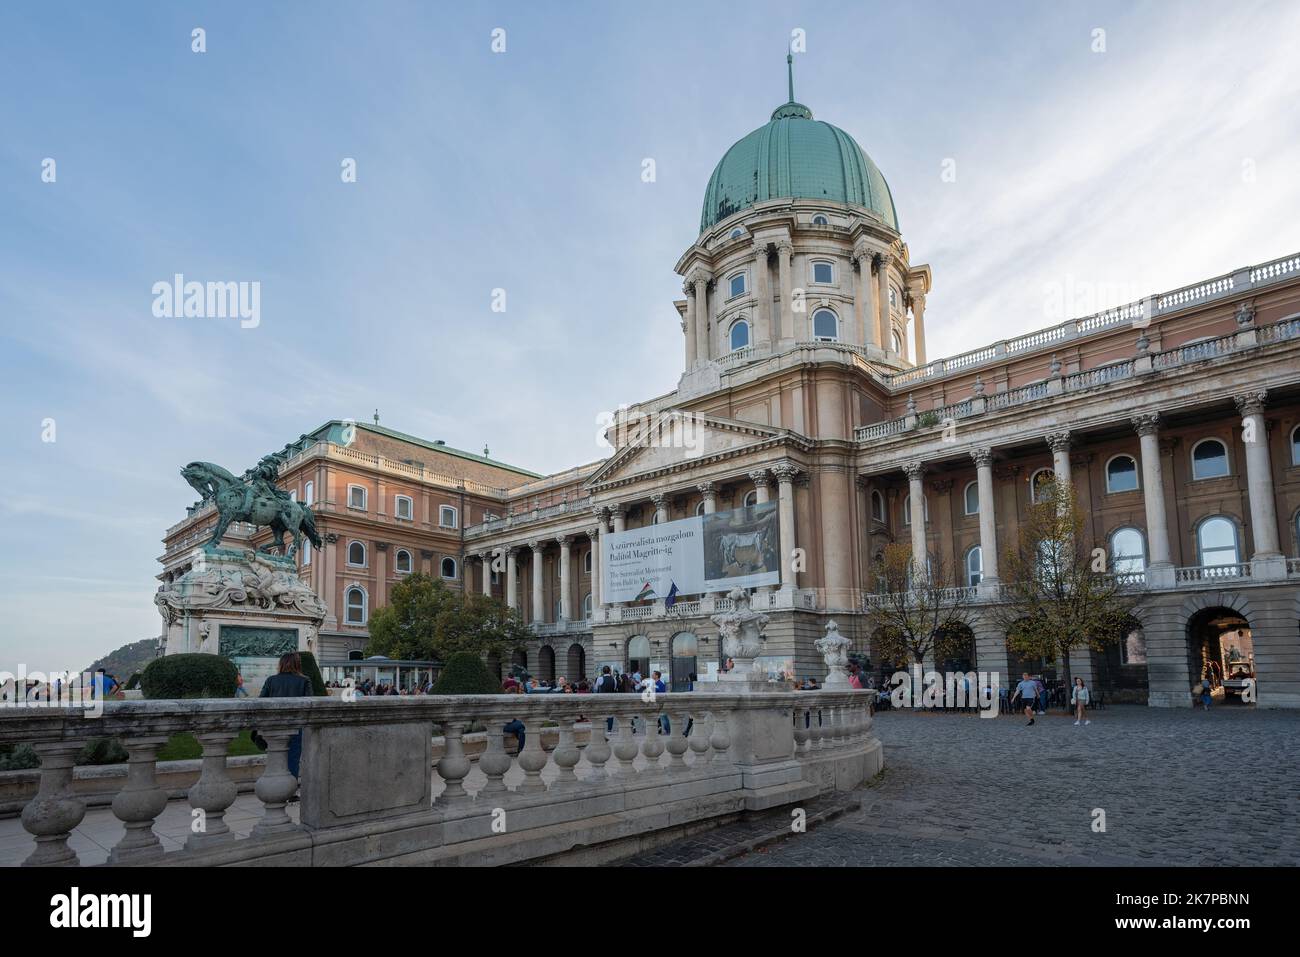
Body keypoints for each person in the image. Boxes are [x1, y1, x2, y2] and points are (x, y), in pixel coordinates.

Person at [258, 652, 315, 780]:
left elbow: (261, 701)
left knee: (275, 757)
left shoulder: (271, 680)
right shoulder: (304, 680)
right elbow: (310, 703)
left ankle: (275, 785)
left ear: (281, 664)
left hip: (275, 725)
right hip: (296, 725)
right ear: (297, 664)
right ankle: (290, 789)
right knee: (293, 758)